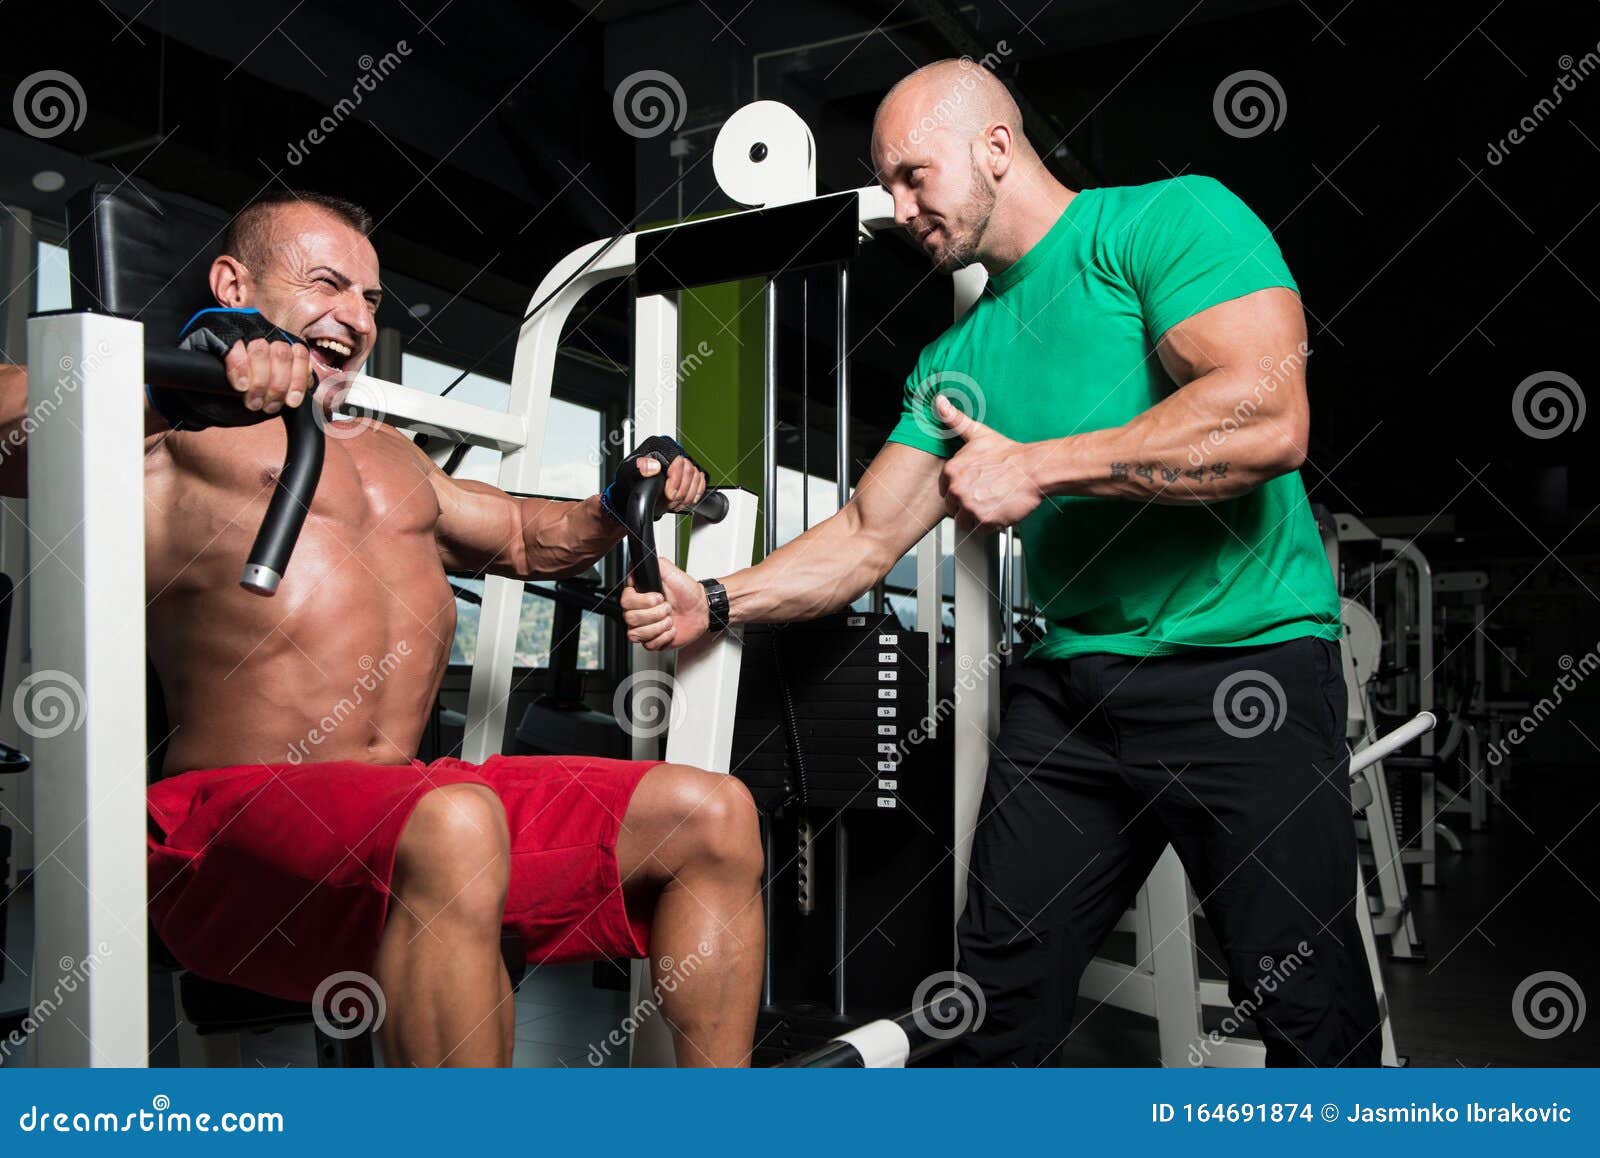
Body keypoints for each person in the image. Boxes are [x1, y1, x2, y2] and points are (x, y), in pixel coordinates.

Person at [620, 59, 1379, 1067]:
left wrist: (1038, 465)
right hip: (1073, 697)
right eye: (886, 185)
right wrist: (714, 600)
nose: (898, 209)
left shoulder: (1163, 223)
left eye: (912, 176)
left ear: (994, 147)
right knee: (989, 1006)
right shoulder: (954, 362)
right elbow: (865, 537)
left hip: (1245, 670)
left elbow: (1265, 418)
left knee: (1306, 1014)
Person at [0, 190, 764, 1067]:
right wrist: (168, 385)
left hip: (412, 812)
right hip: (223, 834)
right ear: (233, 286)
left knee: (712, 814)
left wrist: (618, 496)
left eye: (369, 300)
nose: (358, 320)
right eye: (328, 285)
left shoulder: (393, 456)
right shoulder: (163, 438)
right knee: (454, 820)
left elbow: (523, 535)